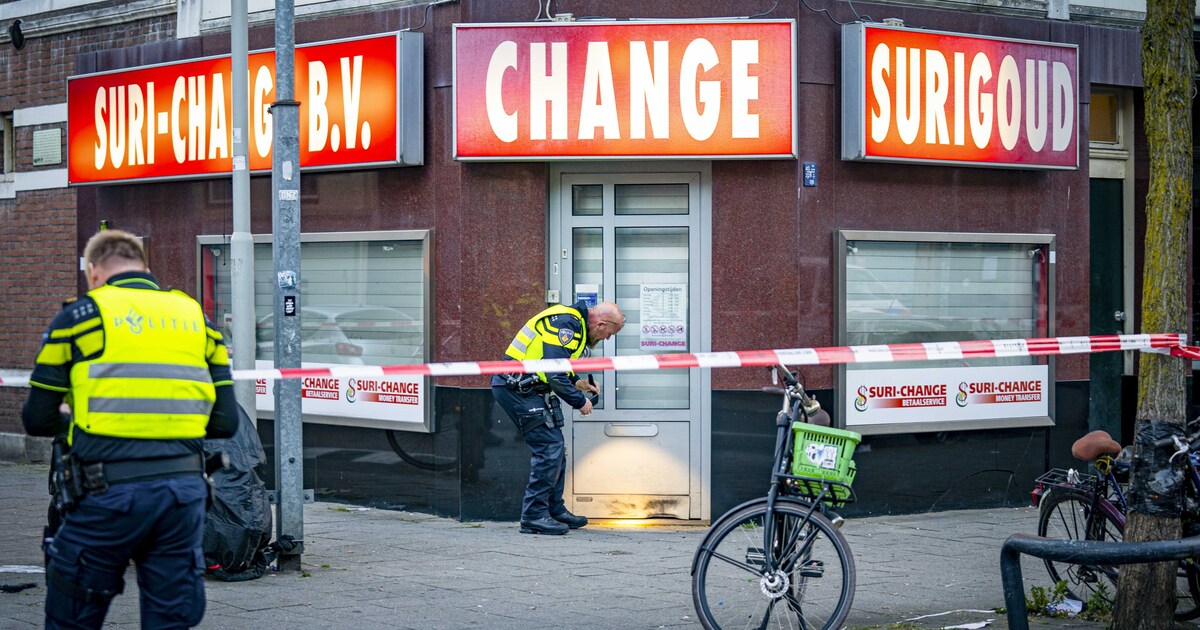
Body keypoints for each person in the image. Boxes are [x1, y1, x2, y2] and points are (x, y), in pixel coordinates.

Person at [22, 229, 239, 629]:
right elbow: (226, 422)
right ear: (145, 267)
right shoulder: (197, 319)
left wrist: (75, 419)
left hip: (106, 494)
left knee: (73, 615)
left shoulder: (78, 317)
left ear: (94, 271)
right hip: (182, 495)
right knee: (170, 619)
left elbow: (36, 419)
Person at [492, 300, 625, 535]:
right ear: (602, 323)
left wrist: (577, 382)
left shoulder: (575, 325)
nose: (606, 339)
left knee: (556, 447)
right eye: (609, 334)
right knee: (549, 446)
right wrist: (579, 401)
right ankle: (533, 515)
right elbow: (553, 370)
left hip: (527, 388)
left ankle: (553, 510)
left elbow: (556, 364)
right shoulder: (567, 322)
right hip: (515, 388)